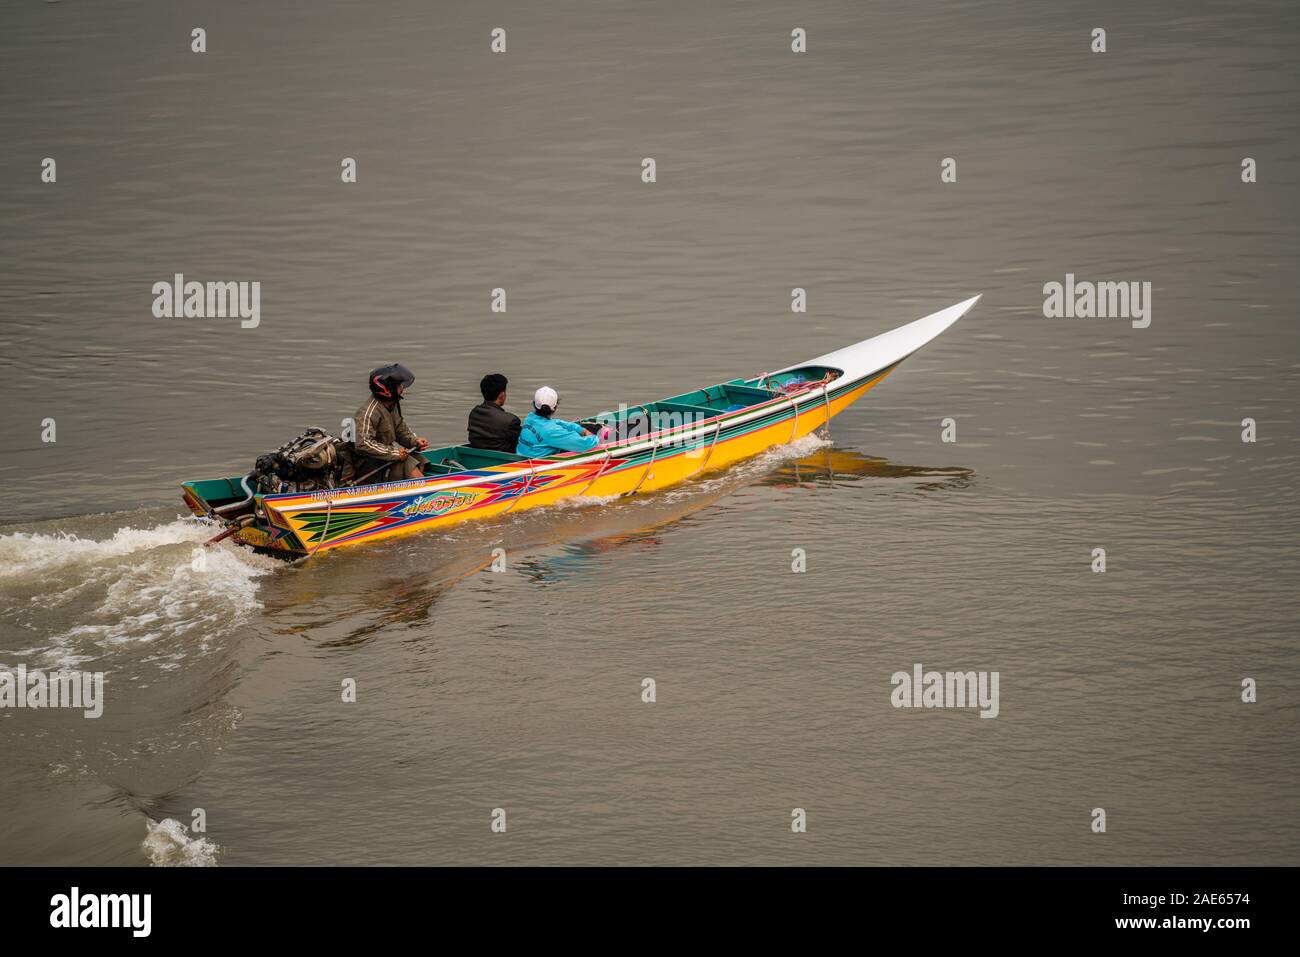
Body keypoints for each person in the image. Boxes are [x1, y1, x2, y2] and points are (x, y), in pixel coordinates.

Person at [353, 363, 429, 482]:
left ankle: (409, 490)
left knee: (421, 460)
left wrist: (414, 441)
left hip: (385, 457)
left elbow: (400, 430)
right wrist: (394, 453)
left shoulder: (392, 405)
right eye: (398, 385)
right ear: (388, 389)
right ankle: (424, 495)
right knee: (409, 465)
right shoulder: (369, 412)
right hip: (369, 464)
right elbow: (363, 444)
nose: (402, 388)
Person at [516, 386, 606, 457]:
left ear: (534, 404)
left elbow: (556, 422)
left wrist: (581, 430)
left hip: (522, 457)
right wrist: (595, 437)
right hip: (537, 467)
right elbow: (584, 445)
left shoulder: (529, 418)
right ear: (555, 408)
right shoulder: (552, 431)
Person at [467, 373, 521, 452]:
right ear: (502, 395)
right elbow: (524, 440)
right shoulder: (510, 421)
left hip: (476, 456)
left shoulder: (474, 413)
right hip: (502, 460)